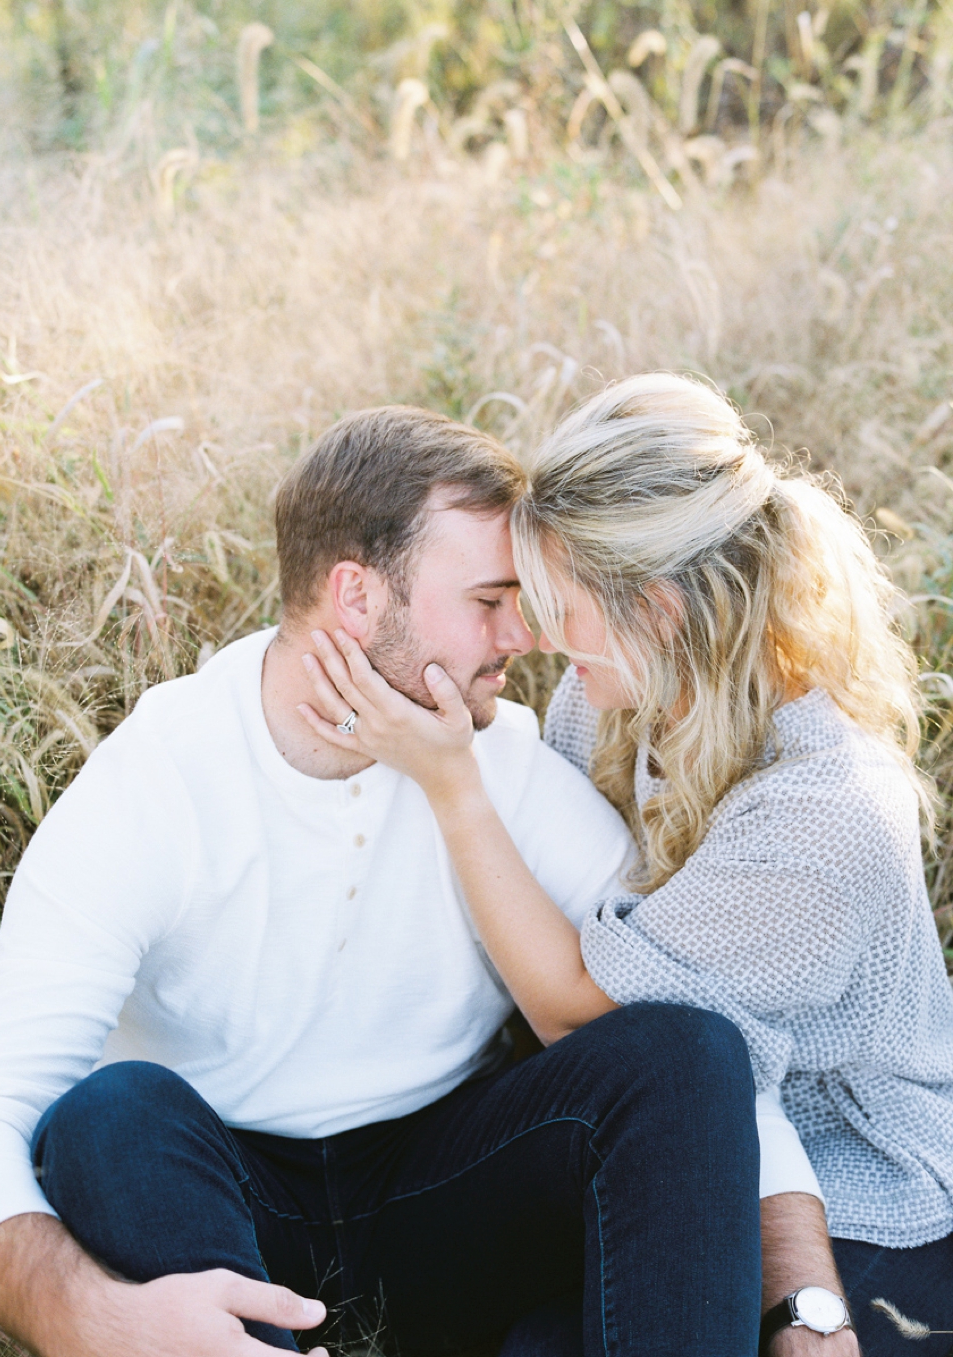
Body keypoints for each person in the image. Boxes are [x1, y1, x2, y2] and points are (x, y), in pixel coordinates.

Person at [0, 406, 776, 1357]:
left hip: (441, 1183)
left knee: (682, 1049)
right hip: (220, 1189)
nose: (525, 635)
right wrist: (94, 1318)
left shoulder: (496, 760)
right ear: (358, 596)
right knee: (107, 1115)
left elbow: (695, 1040)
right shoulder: (156, 783)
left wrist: (806, 1293)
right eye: (491, 598)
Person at [298, 376, 953, 1357]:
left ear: (655, 609)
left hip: (854, 1180)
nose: (536, 639)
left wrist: (452, 781)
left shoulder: (825, 816)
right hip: (670, 1139)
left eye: (559, 604)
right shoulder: (604, 701)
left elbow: (584, 1009)